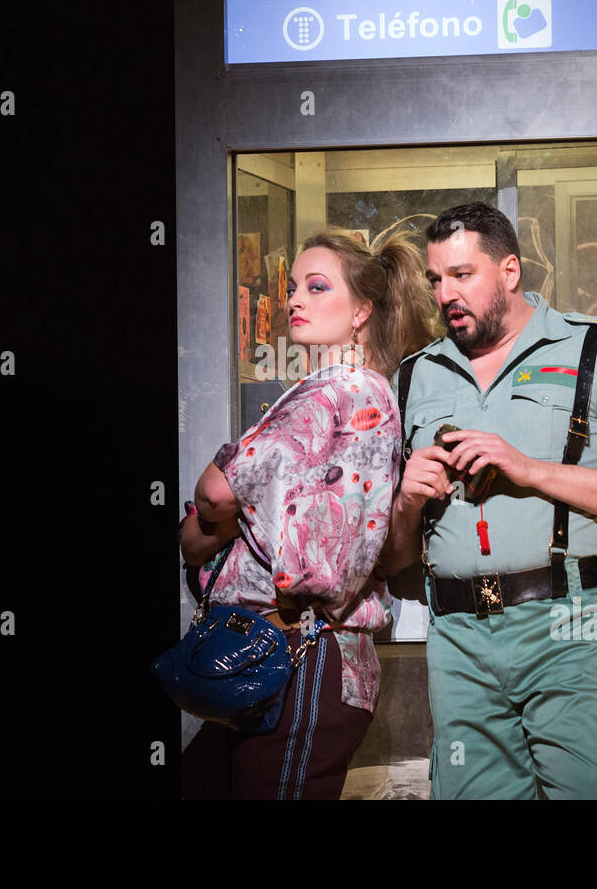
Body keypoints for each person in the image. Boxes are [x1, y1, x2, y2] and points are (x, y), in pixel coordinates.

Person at [377, 202, 597, 799]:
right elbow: (394, 561)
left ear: (511, 272)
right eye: (436, 279)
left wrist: (529, 469)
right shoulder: (418, 375)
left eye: (463, 275)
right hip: (458, 636)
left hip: (572, 622)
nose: (447, 294)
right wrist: (405, 503)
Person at [179, 227, 438, 799]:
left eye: (317, 287)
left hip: (300, 658)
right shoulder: (361, 393)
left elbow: (213, 496)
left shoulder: (334, 393)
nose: (295, 299)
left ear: (361, 311)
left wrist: (220, 512)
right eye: (293, 287)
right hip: (300, 661)